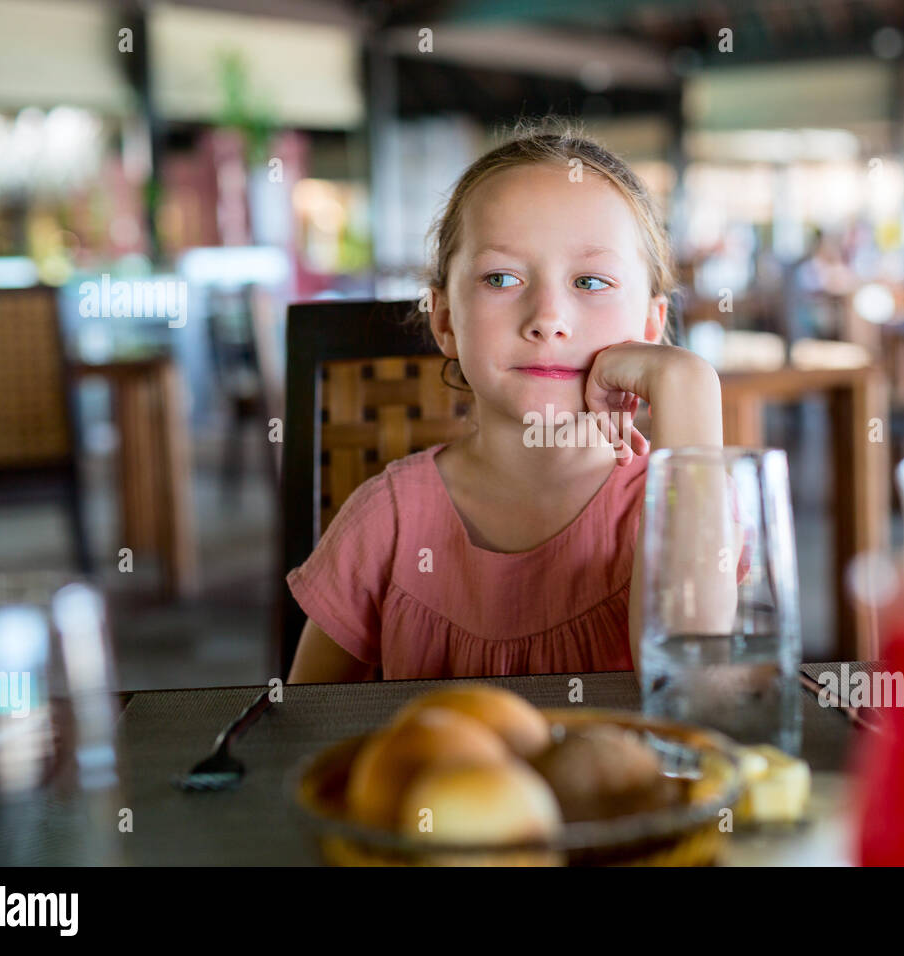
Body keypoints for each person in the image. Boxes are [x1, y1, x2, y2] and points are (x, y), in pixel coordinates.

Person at [286, 120, 731, 683]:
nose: (547, 318)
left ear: (650, 324)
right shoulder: (388, 522)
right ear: (445, 320)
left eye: (591, 283)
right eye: (500, 277)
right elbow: (299, 734)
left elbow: (694, 695)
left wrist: (689, 388)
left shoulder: (690, 509)